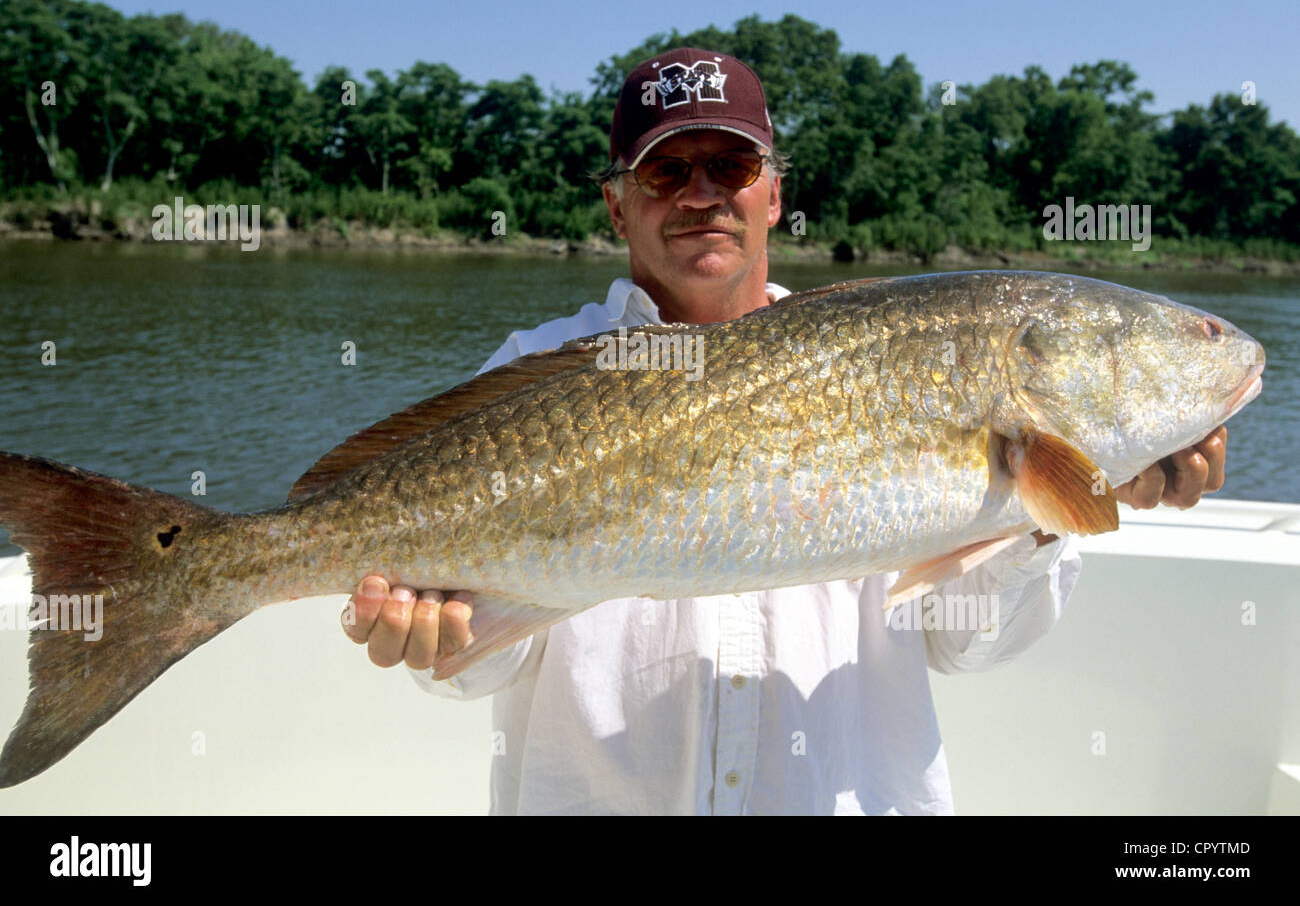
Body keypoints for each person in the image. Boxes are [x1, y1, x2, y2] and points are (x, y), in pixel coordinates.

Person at [341, 47, 1229, 814]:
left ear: (774, 193)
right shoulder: (531, 366)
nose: (701, 195)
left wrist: (1048, 512)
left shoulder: (899, 356)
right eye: (663, 172)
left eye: (730, 166)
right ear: (617, 206)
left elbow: (968, 643)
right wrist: (438, 645)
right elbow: (477, 670)